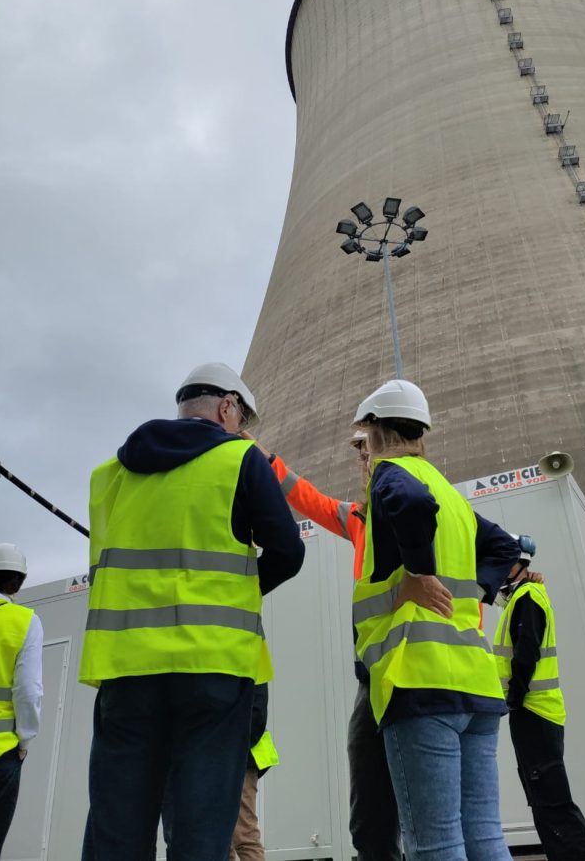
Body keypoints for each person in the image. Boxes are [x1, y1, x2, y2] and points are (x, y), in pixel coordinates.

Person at [78, 362, 304, 861]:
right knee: (200, 831)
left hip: (126, 669)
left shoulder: (111, 475)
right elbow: (289, 551)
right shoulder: (240, 460)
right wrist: (236, 592)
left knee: (116, 828)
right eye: (242, 418)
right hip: (212, 671)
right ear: (226, 407)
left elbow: (101, 573)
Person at [351, 378, 524, 861]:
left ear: (376, 429)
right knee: (485, 837)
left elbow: (409, 503)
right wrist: (478, 588)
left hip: (419, 683)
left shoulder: (391, 474)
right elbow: (505, 547)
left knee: (436, 844)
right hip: (475, 687)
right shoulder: (450, 495)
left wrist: (419, 573)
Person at [245, 429, 406, 861]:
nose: (364, 465)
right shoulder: (358, 521)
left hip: (414, 671)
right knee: (368, 801)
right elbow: (308, 498)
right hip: (373, 678)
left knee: (421, 801)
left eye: (371, 456)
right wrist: (269, 461)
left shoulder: (420, 512)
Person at [493, 557, 585, 861]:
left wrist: (514, 697)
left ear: (517, 567)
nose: (496, 572)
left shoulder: (527, 597)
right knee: (544, 801)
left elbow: (527, 651)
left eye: (502, 565)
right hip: (534, 712)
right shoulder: (524, 596)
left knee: (552, 803)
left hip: (533, 712)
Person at [0, 544, 42, 861]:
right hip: (1, 753)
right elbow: (28, 690)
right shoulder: (23, 621)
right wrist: (24, 742)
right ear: (17, 582)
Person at [228, 684, 278, 861]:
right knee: (221, 840)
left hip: (240, 758)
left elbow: (257, 717)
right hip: (221, 758)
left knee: (244, 837)